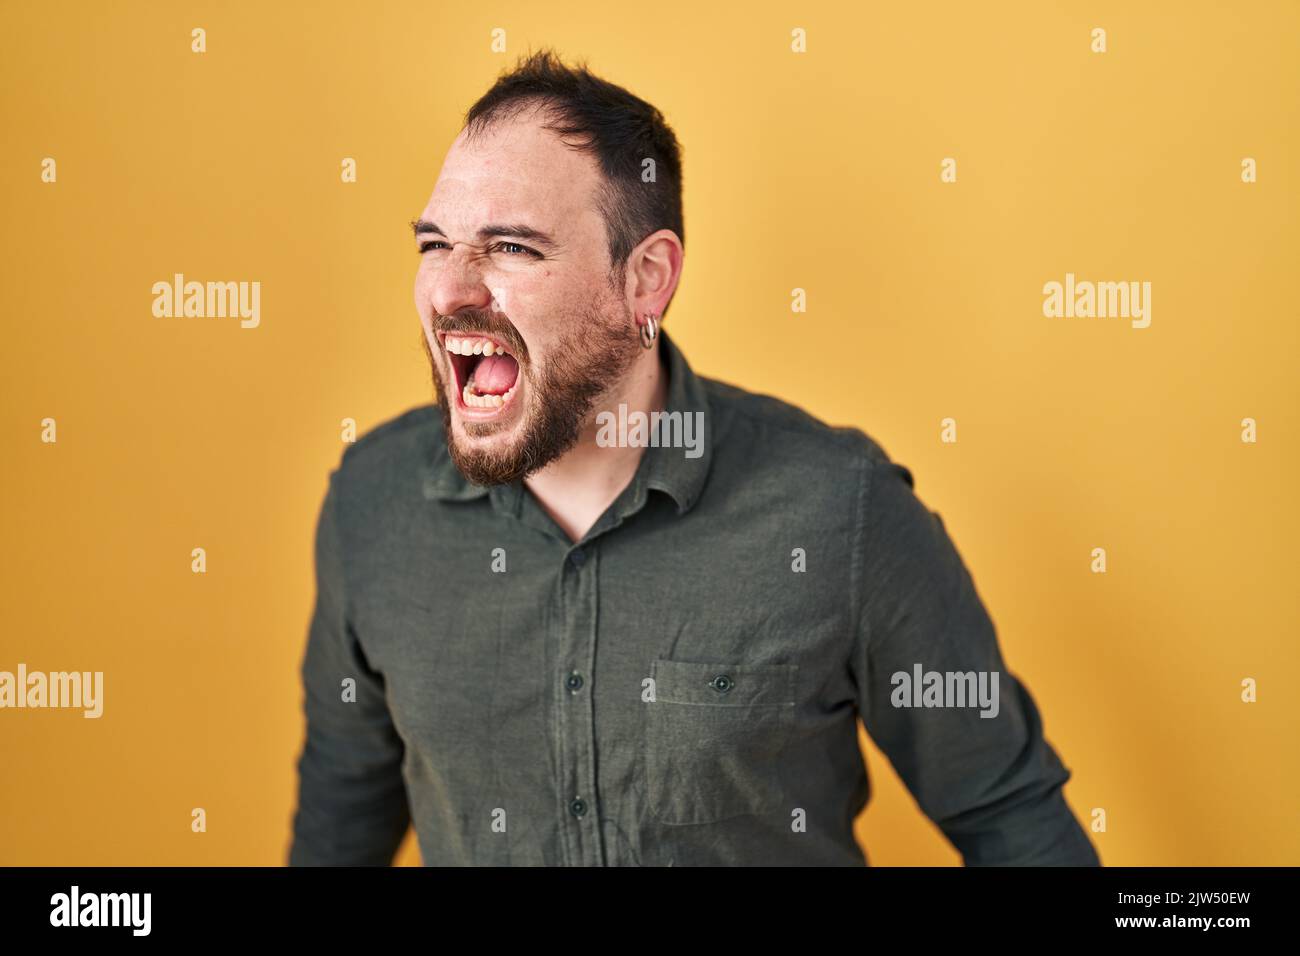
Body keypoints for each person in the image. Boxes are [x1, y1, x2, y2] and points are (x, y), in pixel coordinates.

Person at [288, 48, 1100, 867]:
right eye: (435, 243)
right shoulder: (372, 507)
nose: (451, 290)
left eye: (512, 248)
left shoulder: (840, 511)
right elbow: (337, 824)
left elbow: (1014, 824)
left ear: (645, 280)